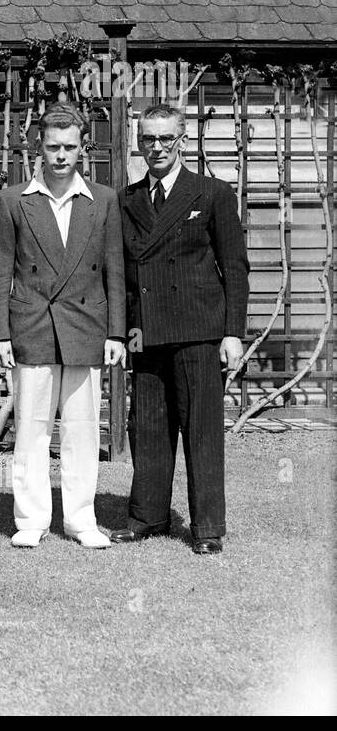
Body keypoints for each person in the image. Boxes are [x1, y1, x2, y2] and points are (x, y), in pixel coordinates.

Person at [111, 104, 249, 555]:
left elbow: (234, 266)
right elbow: (124, 273)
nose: (156, 148)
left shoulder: (211, 194)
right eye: (148, 140)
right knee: (147, 428)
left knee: (202, 431)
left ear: (182, 141)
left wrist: (232, 333)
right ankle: (147, 516)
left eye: (165, 139)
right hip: (145, 331)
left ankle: (207, 527)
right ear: (138, 142)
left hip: (198, 330)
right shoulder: (126, 200)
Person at [0, 103, 126, 550]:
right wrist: (1, 334)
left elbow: (114, 271)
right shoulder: (13, 199)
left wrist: (117, 333)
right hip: (32, 324)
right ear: (38, 148)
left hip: (86, 325)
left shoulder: (103, 200)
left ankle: (81, 519)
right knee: (31, 426)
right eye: (53, 147)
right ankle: (30, 519)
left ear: (82, 148)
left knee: (83, 428)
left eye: (69, 147)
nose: (61, 155)